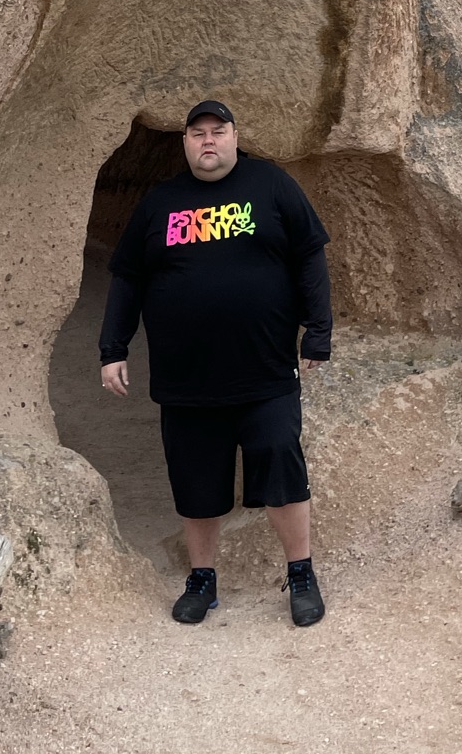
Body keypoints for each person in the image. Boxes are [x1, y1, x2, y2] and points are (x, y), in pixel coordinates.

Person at [98, 100, 332, 627]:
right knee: (196, 485)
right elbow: (128, 277)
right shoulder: (161, 202)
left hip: (265, 371)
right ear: (184, 142)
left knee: (281, 466)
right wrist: (113, 349)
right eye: (197, 132)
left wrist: (318, 332)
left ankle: (300, 573)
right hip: (186, 380)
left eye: (218, 131)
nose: (208, 140)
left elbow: (309, 255)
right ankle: (202, 579)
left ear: (234, 137)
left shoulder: (271, 185)